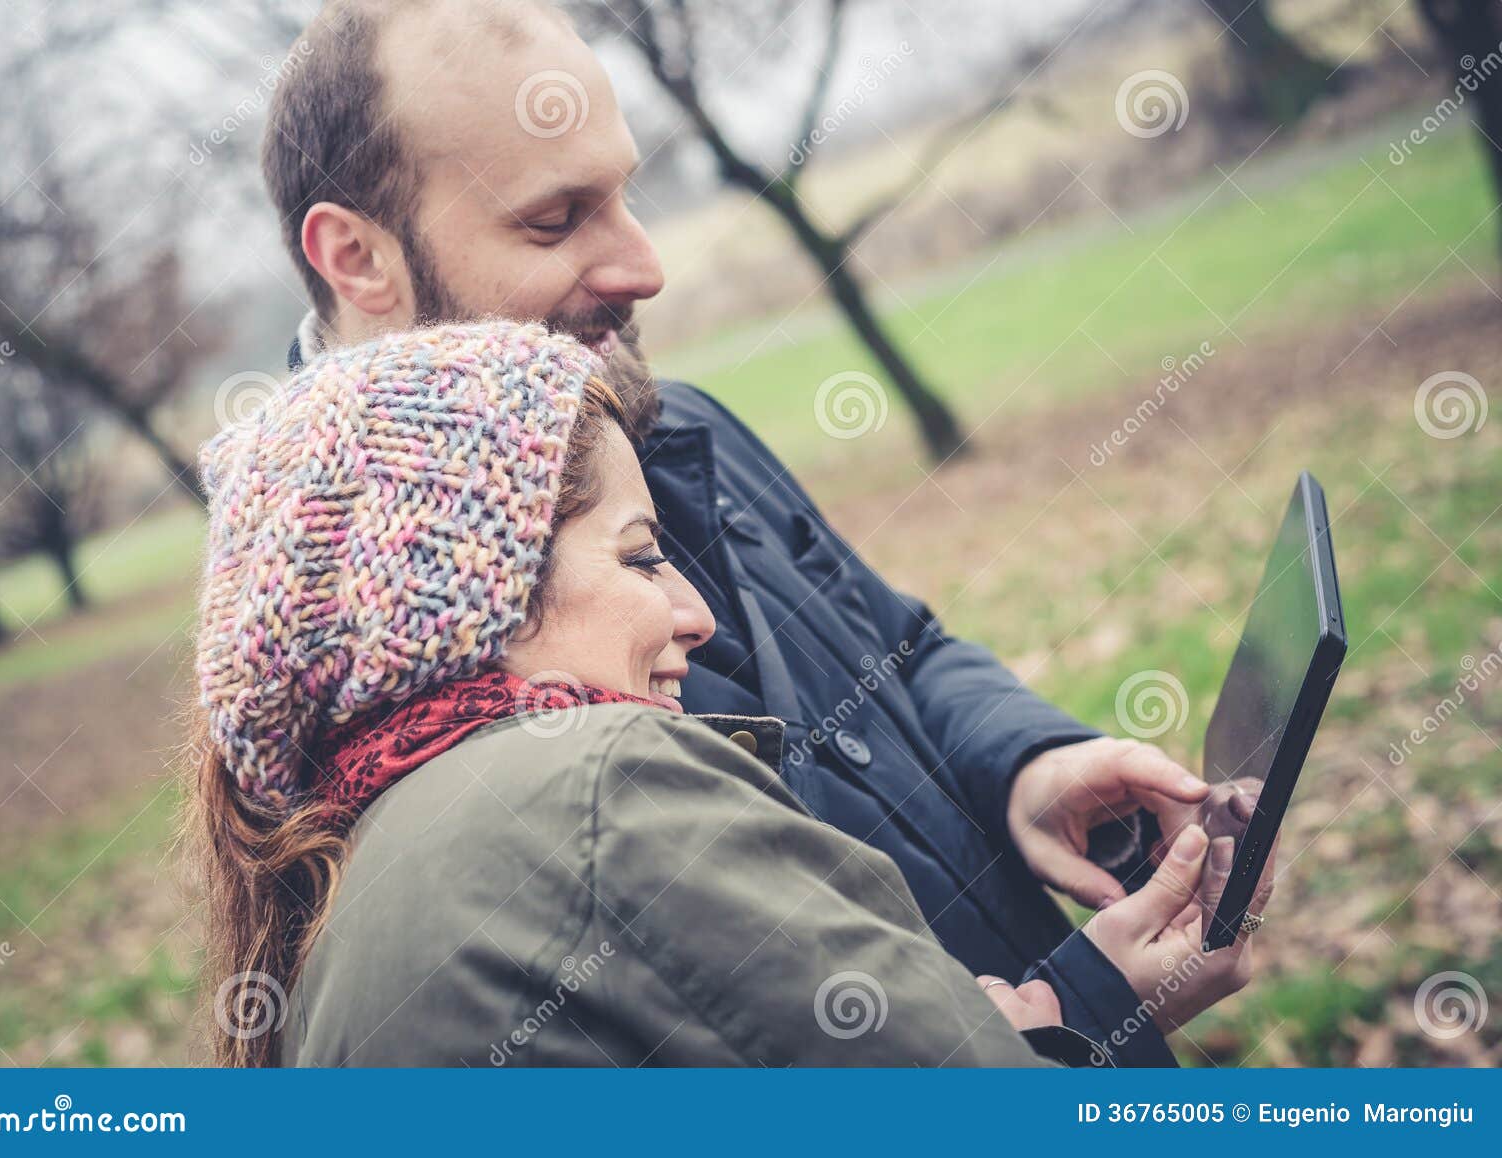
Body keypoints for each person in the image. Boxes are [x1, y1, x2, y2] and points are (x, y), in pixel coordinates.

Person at [256, 0, 1271, 1064]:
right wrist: (1081, 1018)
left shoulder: (676, 424)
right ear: (356, 258)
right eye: (556, 220)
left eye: (625, 195)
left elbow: (899, 644)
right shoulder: (351, 655)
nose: (643, 266)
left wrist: (1026, 764)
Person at [187, 320, 1237, 1066]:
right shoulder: (602, 789)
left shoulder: (341, 883)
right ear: (465, 596)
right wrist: (1092, 1005)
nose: (694, 611)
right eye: (641, 558)